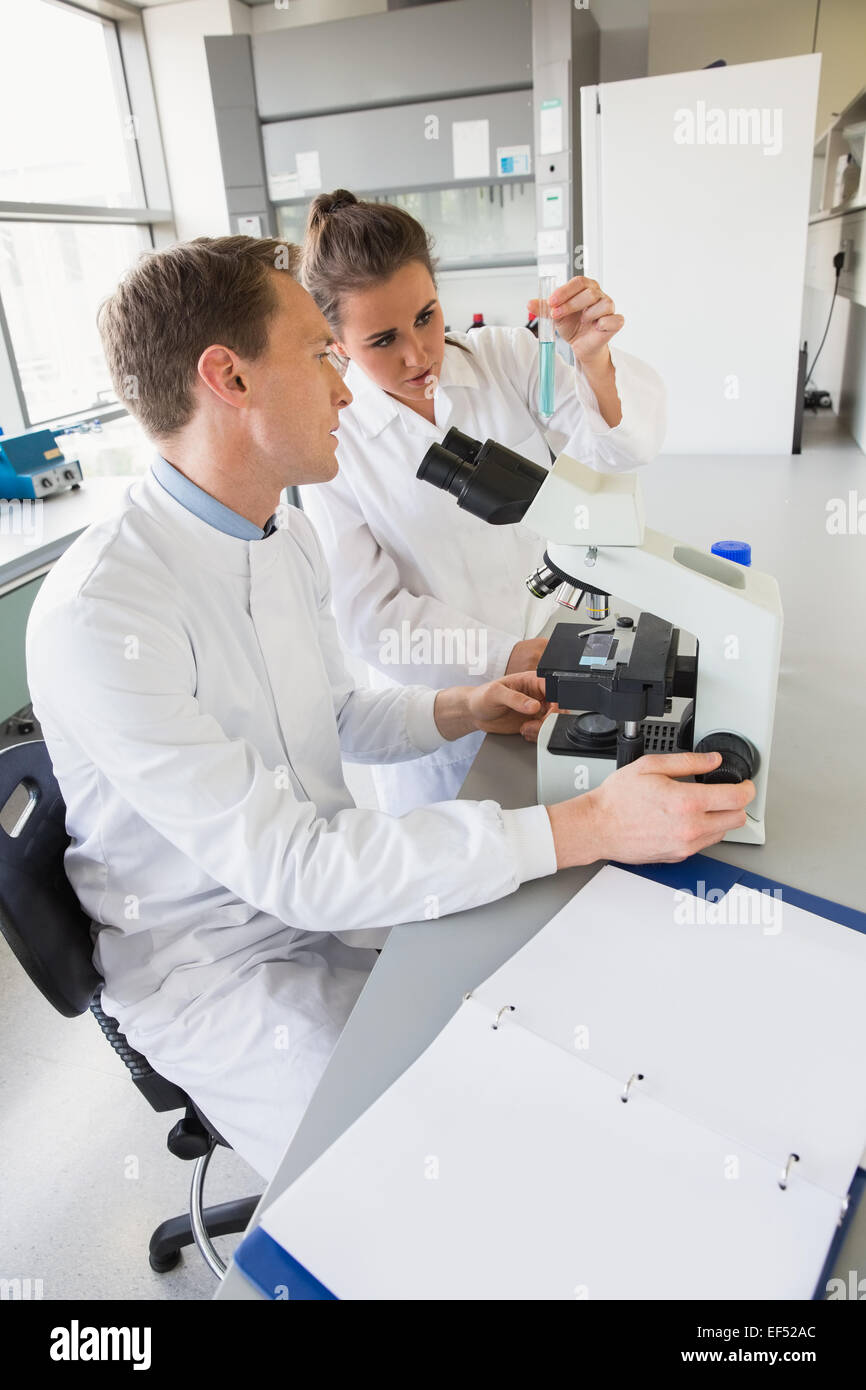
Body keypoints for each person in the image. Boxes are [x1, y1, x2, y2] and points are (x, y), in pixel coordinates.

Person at [26, 237, 752, 1183]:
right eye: (322, 354)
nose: (344, 390)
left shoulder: (274, 535)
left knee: (550, 1027)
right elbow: (294, 868)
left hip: (328, 904)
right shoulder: (103, 611)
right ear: (228, 377)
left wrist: (463, 706)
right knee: (434, 1175)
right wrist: (587, 823)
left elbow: (328, 712)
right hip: (216, 970)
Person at [299, 190, 666, 815]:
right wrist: (506, 660)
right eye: (382, 339)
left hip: (546, 654)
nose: (418, 354)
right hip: (441, 702)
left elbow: (615, 451)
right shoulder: (333, 439)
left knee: (565, 845)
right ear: (337, 344)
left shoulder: (509, 357)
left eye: (427, 316)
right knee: (468, 878)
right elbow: (370, 617)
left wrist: (593, 360)